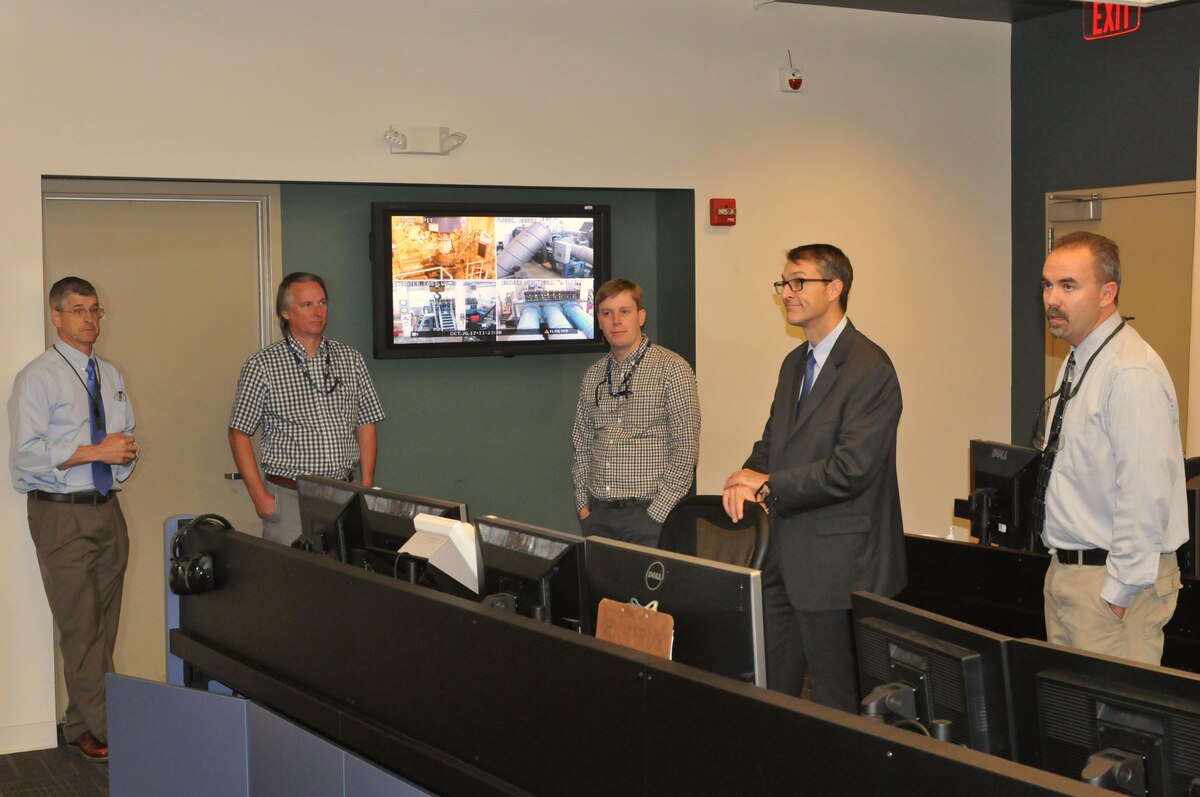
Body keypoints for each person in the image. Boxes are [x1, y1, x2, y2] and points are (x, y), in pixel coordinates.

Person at [722, 244, 904, 712]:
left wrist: (768, 485)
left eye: (798, 282)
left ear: (835, 287)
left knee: (834, 703)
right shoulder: (793, 364)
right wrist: (743, 477)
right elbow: (772, 443)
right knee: (774, 695)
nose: (787, 292)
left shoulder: (871, 369)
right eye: (784, 283)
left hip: (839, 568)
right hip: (781, 558)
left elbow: (850, 470)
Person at [1037, 231, 1186, 665]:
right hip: (1070, 575)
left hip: (1112, 587)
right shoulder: (1079, 359)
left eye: (1068, 286)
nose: (1052, 299)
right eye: (1047, 285)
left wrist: (1118, 594)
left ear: (1107, 293)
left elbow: (1145, 494)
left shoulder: (1130, 374)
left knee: (1112, 711)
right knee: (1066, 708)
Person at [7, 277, 139, 762]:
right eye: (78, 309)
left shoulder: (110, 372)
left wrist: (121, 456)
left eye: (95, 309)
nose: (89, 319)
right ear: (56, 317)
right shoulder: (36, 377)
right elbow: (26, 455)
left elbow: (124, 437)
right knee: (81, 626)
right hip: (60, 514)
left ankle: (81, 724)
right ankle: (106, 729)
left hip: (107, 508)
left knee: (103, 625)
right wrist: (95, 451)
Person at [228, 272, 386, 545]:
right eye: (307, 305)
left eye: (322, 303)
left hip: (345, 496)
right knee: (292, 573)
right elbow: (238, 433)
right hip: (290, 499)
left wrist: (366, 486)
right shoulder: (262, 365)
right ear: (286, 312)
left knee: (344, 571)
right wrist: (260, 498)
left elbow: (366, 422)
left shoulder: (350, 359)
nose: (318, 312)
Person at [571, 279, 700, 548]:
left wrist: (656, 515)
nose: (616, 321)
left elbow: (686, 449)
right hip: (598, 516)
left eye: (624, 311)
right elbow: (581, 445)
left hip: (649, 518)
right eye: (607, 313)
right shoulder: (592, 376)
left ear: (641, 317)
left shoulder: (672, 369)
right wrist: (583, 506)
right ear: (599, 321)